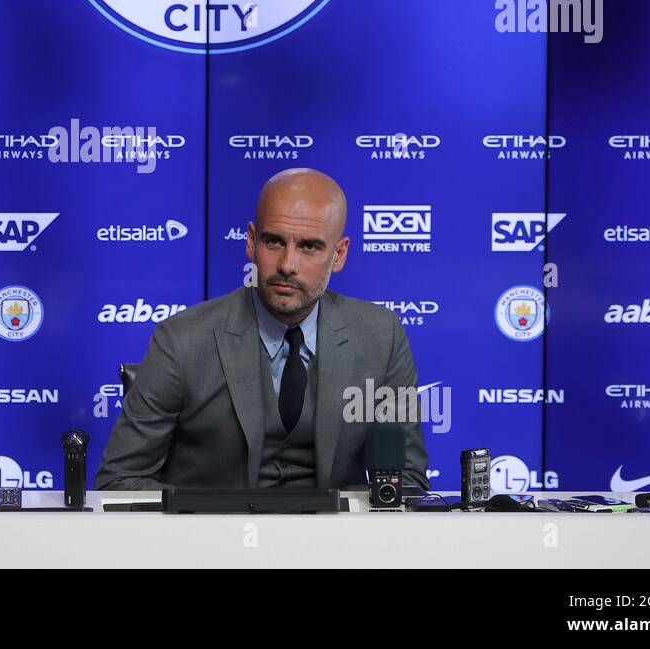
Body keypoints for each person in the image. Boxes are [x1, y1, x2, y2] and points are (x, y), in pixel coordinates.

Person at [95, 168, 429, 490]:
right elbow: (120, 481)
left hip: (333, 545)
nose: (287, 265)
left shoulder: (382, 337)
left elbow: (406, 481)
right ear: (251, 241)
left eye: (309, 246)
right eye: (273, 242)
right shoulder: (182, 340)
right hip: (214, 541)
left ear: (339, 255)